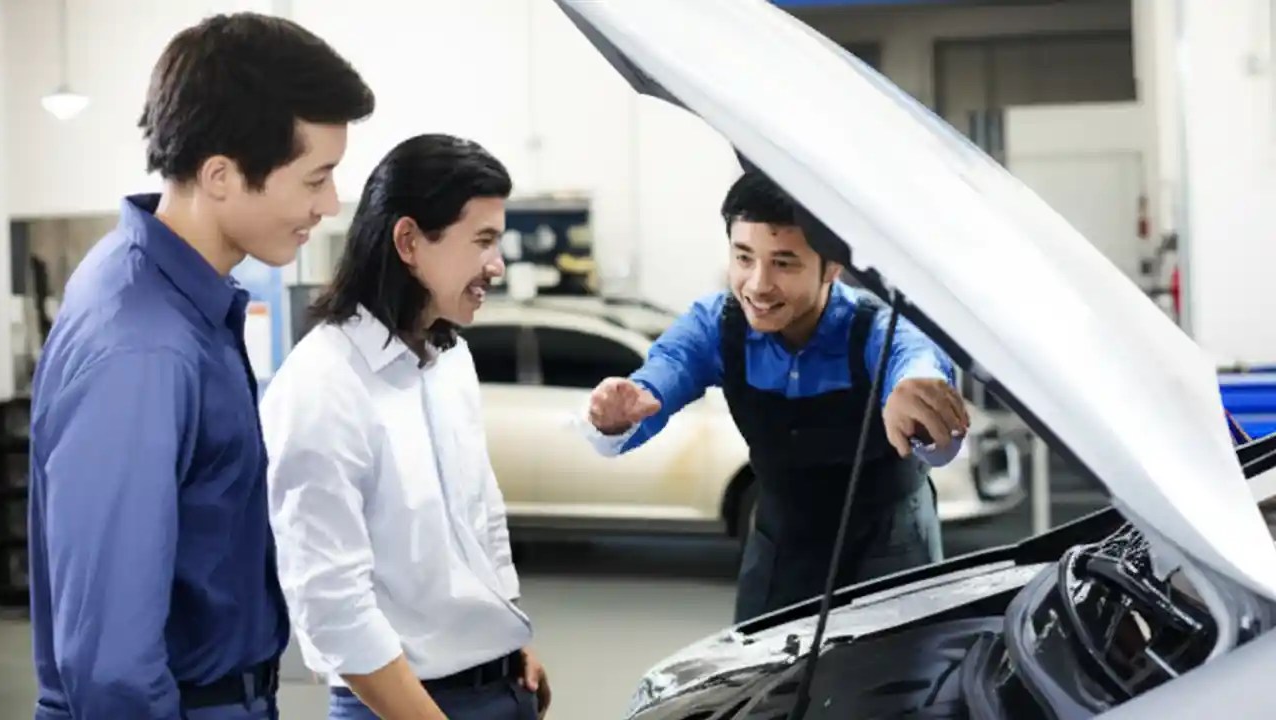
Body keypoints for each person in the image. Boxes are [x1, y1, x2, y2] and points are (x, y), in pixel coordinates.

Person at [26, 13, 373, 720]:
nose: (329, 205)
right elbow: (113, 669)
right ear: (221, 175)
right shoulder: (144, 347)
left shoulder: (176, 298)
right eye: (316, 178)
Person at [582, 171, 971, 624]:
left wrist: (915, 395)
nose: (758, 284)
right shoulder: (716, 324)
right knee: (765, 683)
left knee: (901, 682)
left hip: (893, 540)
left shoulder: (875, 328)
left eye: (784, 263)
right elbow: (666, 370)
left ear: (833, 267)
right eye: (744, 258)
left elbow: (915, 360)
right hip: (783, 540)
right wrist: (624, 409)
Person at [259, 134, 550, 720]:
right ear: (410, 241)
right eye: (483, 241)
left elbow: (481, 514)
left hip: (498, 684)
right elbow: (331, 601)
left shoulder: (449, 360)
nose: (498, 264)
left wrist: (510, 633)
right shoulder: (323, 384)